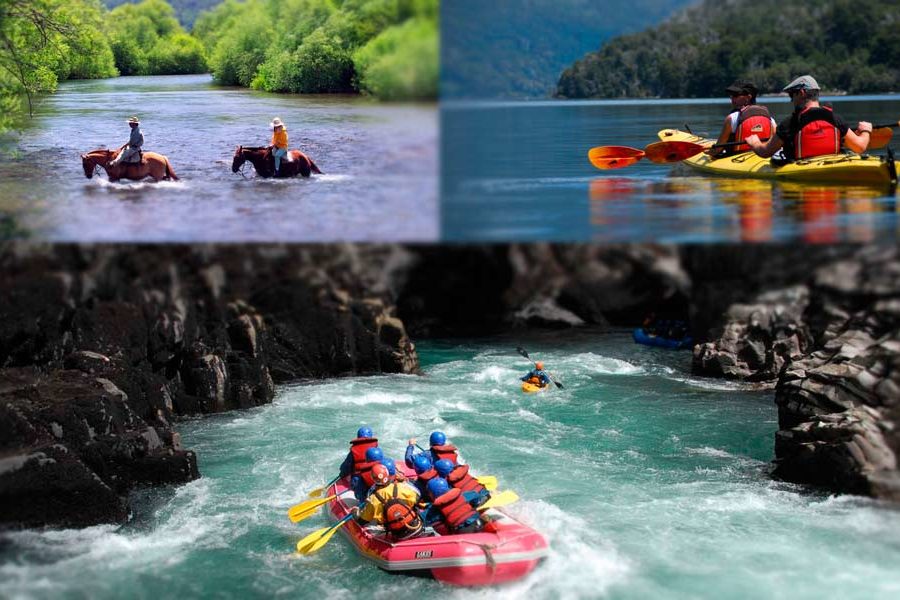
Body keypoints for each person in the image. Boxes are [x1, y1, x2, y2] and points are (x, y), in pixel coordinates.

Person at [746, 75, 873, 161]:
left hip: (800, 171)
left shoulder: (789, 123)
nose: (791, 100)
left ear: (801, 93)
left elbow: (765, 152)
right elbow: (860, 147)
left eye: (792, 95)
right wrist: (866, 130)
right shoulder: (835, 118)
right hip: (832, 166)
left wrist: (755, 143)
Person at [354, 464, 424, 540]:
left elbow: (363, 521)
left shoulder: (373, 499)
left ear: (373, 479)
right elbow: (418, 498)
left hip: (397, 533)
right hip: (415, 526)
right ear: (387, 474)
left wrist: (356, 513)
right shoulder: (401, 487)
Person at [708, 80, 776, 157]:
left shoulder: (731, 119)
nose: (732, 99)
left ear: (748, 97)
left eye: (735, 95)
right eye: (731, 96)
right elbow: (775, 145)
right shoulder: (771, 120)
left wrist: (706, 154)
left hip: (736, 158)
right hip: (762, 158)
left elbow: (718, 149)